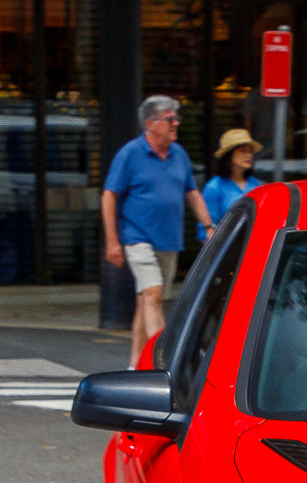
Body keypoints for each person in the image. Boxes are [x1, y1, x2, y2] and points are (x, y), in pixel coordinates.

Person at [101, 95, 212, 365]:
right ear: (151, 123)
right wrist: (113, 241)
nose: (176, 123)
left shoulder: (179, 154)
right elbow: (109, 196)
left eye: (177, 118)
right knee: (154, 294)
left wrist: (209, 226)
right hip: (137, 237)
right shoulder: (131, 153)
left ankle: (135, 365)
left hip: (169, 240)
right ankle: (163, 361)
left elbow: (192, 193)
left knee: (146, 300)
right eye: (170, 119)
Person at [202, 128, 261, 226]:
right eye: (243, 151)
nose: (249, 155)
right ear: (228, 156)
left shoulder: (256, 185)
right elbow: (207, 231)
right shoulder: (214, 187)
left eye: (250, 151)